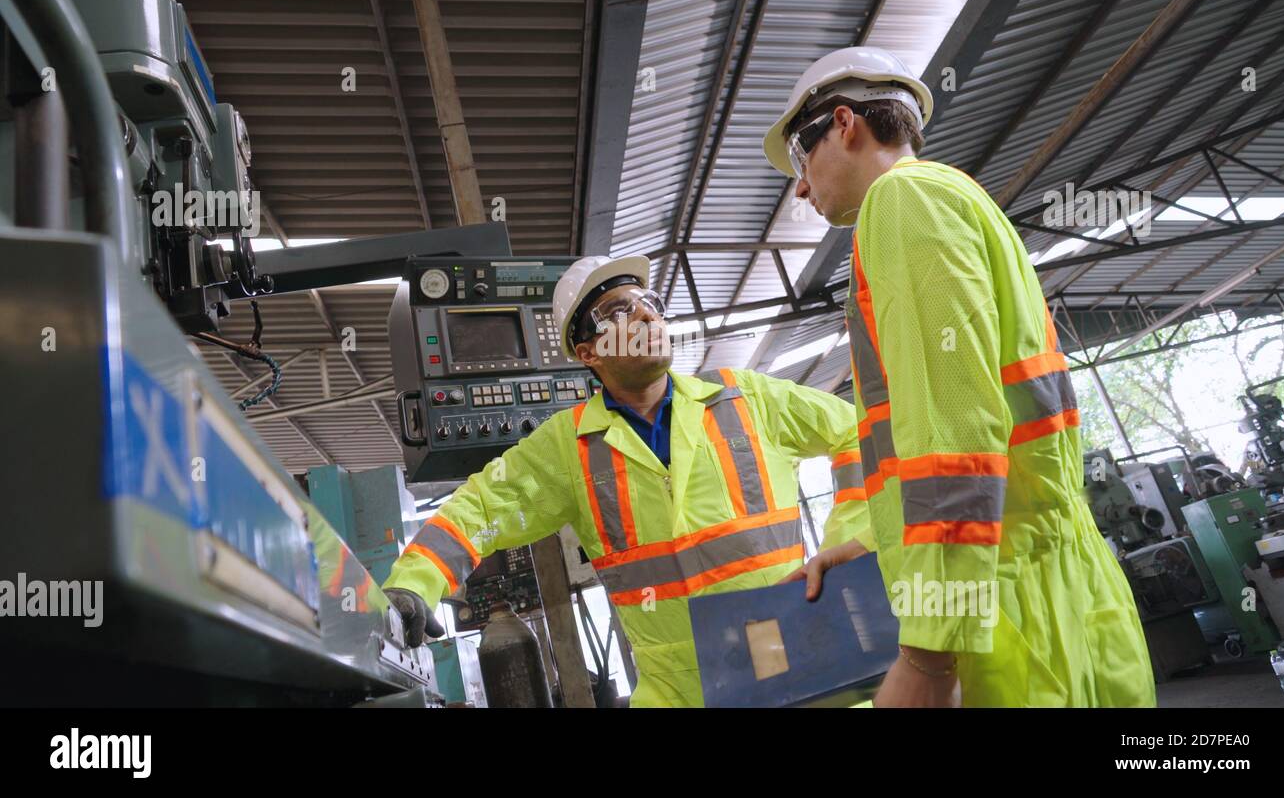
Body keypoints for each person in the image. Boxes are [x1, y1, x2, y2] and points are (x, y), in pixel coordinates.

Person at [763, 45, 1155, 707]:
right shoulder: (957, 195)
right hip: (1056, 586)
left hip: (1000, 619)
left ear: (844, 123)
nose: (800, 186)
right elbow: (990, 425)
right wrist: (873, 539)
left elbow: (951, 431)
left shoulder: (901, 203)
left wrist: (929, 654)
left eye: (801, 161)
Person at [383, 254, 874, 707]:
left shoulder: (747, 399)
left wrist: (846, 541)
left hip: (799, 663)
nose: (646, 317)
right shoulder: (567, 447)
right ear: (587, 353)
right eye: (620, 311)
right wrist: (414, 585)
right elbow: (481, 509)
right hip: (678, 693)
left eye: (651, 304)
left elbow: (859, 431)